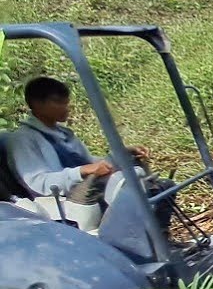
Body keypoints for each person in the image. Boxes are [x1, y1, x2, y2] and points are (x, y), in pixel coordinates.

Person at [6, 76, 148, 205]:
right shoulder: (22, 139)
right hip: (64, 201)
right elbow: (39, 183)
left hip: (89, 186)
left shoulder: (63, 133)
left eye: (66, 102)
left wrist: (121, 154)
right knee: (131, 193)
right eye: (58, 102)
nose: (66, 107)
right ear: (37, 104)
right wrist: (81, 172)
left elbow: (91, 163)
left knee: (141, 174)